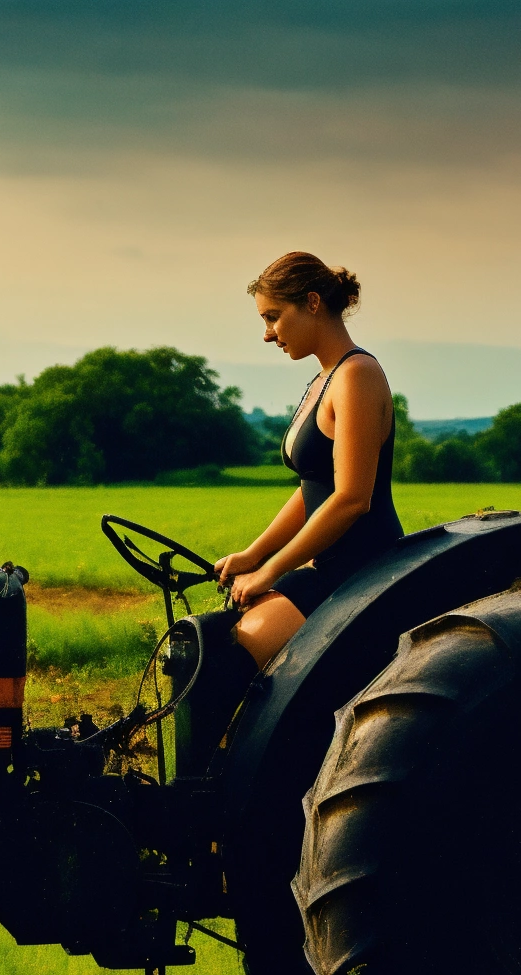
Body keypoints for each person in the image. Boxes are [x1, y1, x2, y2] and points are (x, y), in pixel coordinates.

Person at [211, 251, 403, 673]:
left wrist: (271, 570)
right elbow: (313, 488)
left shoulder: (357, 375)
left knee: (230, 659)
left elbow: (351, 498)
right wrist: (253, 554)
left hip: (361, 571)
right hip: (325, 567)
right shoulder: (324, 379)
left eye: (273, 317)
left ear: (312, 303)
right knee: (205, 644)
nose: (267, 334)